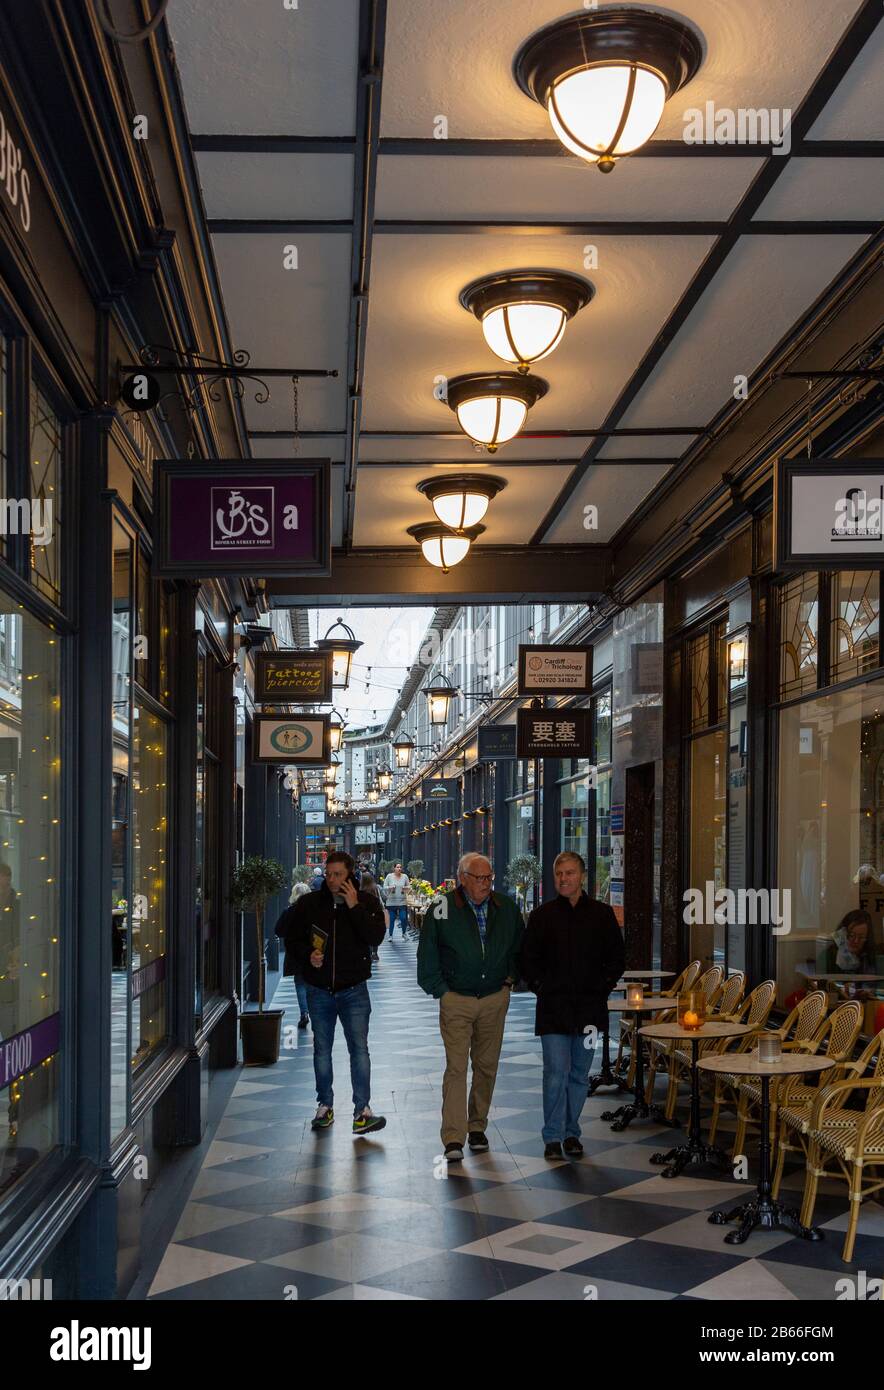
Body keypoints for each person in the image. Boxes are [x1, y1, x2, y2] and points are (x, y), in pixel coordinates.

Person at [417, 852, 524, 1163]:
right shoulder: (442, 907)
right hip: (457, 1000)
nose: (486, 884)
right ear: (462, 878)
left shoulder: (505, 908)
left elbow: (521, 945)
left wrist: (510, 980)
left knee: (486, 1066)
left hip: (493, 997)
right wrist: (440, 991)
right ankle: (453, 1137)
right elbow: (427, 952)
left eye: (489, 877)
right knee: (456, 1068)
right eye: (479, 878)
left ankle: (477, 1126)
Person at [520, 851, 625, 1159]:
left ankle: (572, 1133)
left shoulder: (602, 915)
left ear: (582, 876)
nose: (563, 878)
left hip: (591, 1012)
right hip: (553, 1009)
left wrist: (602, 988)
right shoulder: (542, 916)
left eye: (569, 873)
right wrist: (541, 987)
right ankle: (552, 1136)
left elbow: (617, 958)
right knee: (555, 1071)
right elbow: (527, 960)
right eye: (558, 874)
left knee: (580, 1072)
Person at [276, 851, 387, 1134]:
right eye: (328, 873)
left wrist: (354, 907)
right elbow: (289, 936)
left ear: (351, 875)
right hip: (319, 990)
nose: (332, 879)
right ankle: (324, 1105)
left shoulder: (367, 902)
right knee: (321, 1050)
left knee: (359, 1050)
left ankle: (362, 1111)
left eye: (338, 874)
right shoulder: (310, 904)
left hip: (354, 991)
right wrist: (306, 956)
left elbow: (375, 938)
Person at [274, 882, 312, 1029]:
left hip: (295, 953)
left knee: (300, 983)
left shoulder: (289, 911)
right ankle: (314, 1012)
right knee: (313, 983)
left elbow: (279, 931)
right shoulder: (314, 911)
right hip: (312, 952)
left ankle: (304, 1013)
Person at [382, 862, 410, 940]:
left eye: (400, 867)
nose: (399, 869)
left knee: (403, 918)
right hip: (391, 902)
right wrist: (390, 887)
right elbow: (384, 887)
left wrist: (405, 888)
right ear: (394, 868)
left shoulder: (405, 876)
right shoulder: (389, 876)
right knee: (392, 919)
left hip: (402, 901)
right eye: (397, 867)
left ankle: (404, 933)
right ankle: (390, 935)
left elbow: (409, 887)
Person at [360, 872, 382, 961]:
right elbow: (379, 899)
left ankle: (368, 952)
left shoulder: (361, 889)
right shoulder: (375, 888)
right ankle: (375, 953)